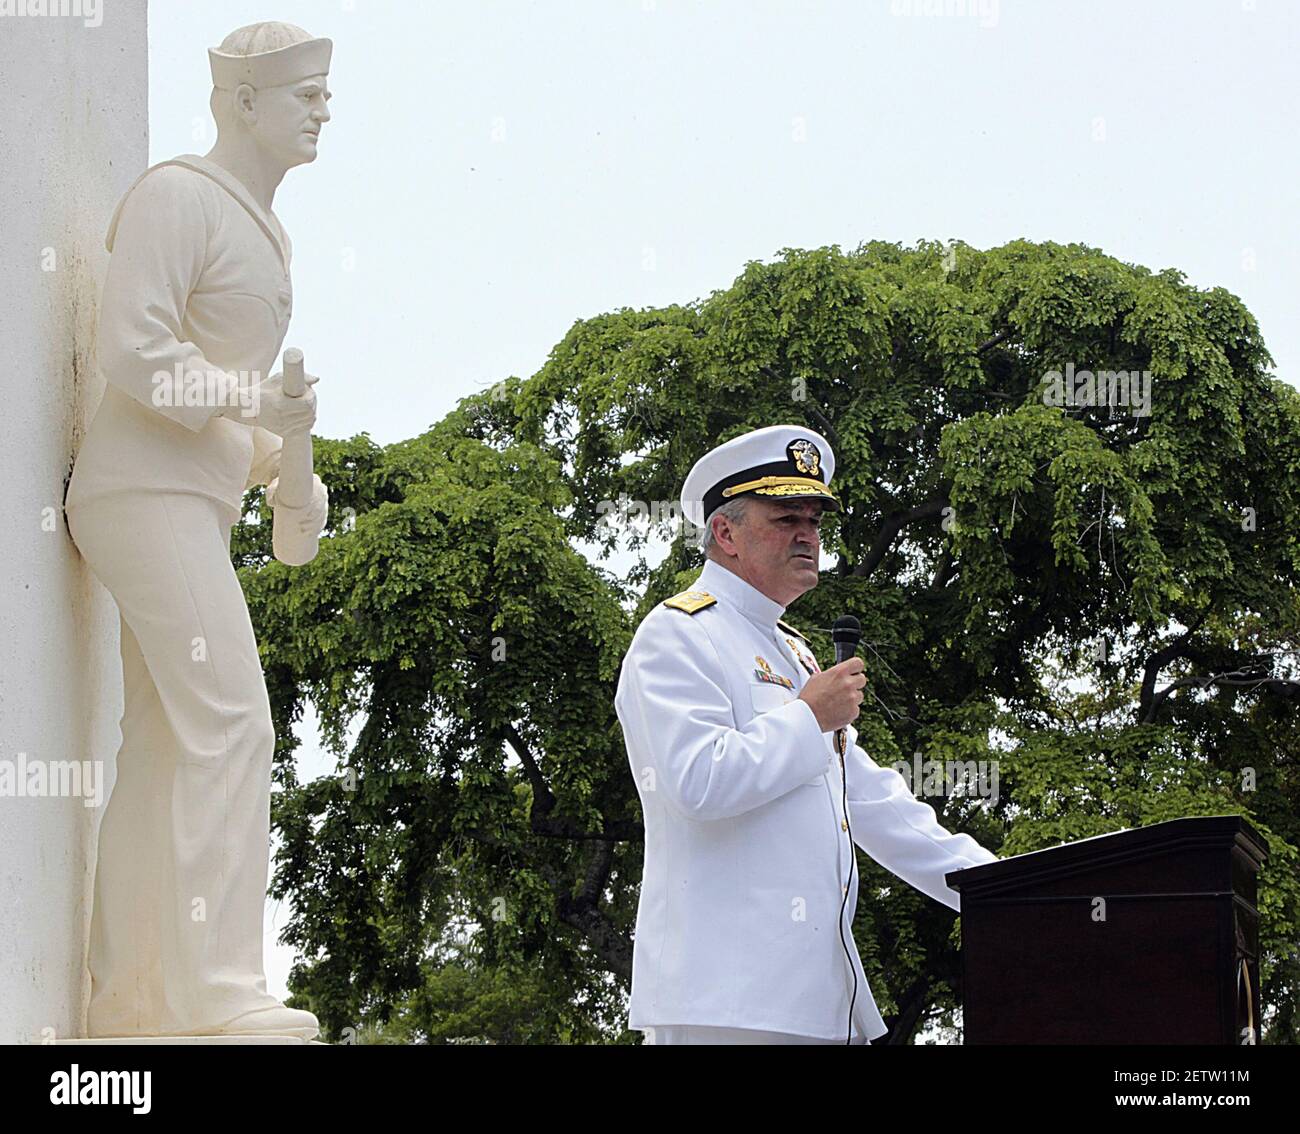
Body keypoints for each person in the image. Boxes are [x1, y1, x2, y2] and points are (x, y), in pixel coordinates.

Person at [63, 22, 332, 1039]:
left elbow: (224, 402)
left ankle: (130, 1003)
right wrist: (255, 400)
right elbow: (136, 352)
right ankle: (220, 990)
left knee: (167, 745)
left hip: (190, 499)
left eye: (323, 93)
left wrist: (280, 461)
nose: (320, 109)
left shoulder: (269, 234)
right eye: (301, 92)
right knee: (233, 724)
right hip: (142, 491)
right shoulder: (178, 194)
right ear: (242, 103)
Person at [614, 423, 999, 1045]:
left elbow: (875, 804)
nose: (807, 535)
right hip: (725, 1002)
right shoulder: (676, 633)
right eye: (786, 516)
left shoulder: (794, 653)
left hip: (821, 1000)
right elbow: (695, 783)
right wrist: (807, 716)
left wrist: (1007, 893)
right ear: (725, 533)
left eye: (815, 520)